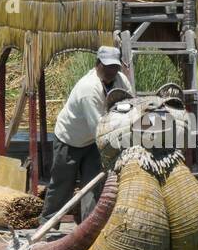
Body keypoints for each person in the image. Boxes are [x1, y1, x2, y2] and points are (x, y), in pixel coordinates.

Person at [39, 45, 132, 222]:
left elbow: (131, 107)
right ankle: (47, 224)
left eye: (115, 67)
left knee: (93, 185)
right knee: (62, 184)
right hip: (70, 139)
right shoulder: (88, 89)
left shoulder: (121, 81)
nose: (112, 71)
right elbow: (98, 128)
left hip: (93, 142)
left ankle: (88, 225)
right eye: (108, 66)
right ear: (98, 64)